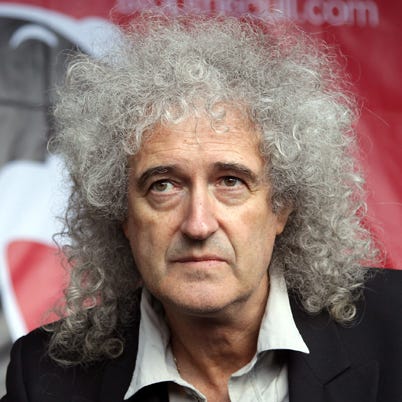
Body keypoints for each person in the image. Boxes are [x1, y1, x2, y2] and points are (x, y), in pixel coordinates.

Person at [2, 14, 401, 402]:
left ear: (280, 207)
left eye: (231, 181)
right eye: (164, 186)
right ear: (122, 214)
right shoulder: (44, 378)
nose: (198, 224)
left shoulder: (395, 328)